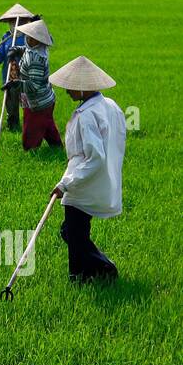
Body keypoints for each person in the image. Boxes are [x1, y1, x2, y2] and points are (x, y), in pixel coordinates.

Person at [49, 56, 125, 283]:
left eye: (71, 87)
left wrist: (66, 184)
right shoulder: (110, 106)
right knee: (72, 231)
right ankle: (91, 270)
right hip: (97, 180)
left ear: (84, 89)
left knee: (74, 231)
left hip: (84, 183)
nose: (66, 91)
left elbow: (95, 158)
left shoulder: (88, 115)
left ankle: (93, 270)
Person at [0, 4, 38, 131]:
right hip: (9, 76)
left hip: (25, 78)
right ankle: (13, 126)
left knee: (27, 104)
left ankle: (31, 127)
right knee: (11, 104)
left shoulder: (30, 37)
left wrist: (36, 27)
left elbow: (38, 49)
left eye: (20, 21)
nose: (15, 24)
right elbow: (0, 56)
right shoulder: (6, 37)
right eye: (12, 22)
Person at [9, 20, 62, 151]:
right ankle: (56, 146)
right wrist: (16, 50)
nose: (28, 39)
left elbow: (34, 85)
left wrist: (16, 85)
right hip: (46, 99)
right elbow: (26, 51)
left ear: (38, 41)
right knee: (47, 123)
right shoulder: (34, 49)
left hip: (38, 103)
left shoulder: (36, 59)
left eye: (32, 38)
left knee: (31, 128)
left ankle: (30, 149)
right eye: (28, 36)